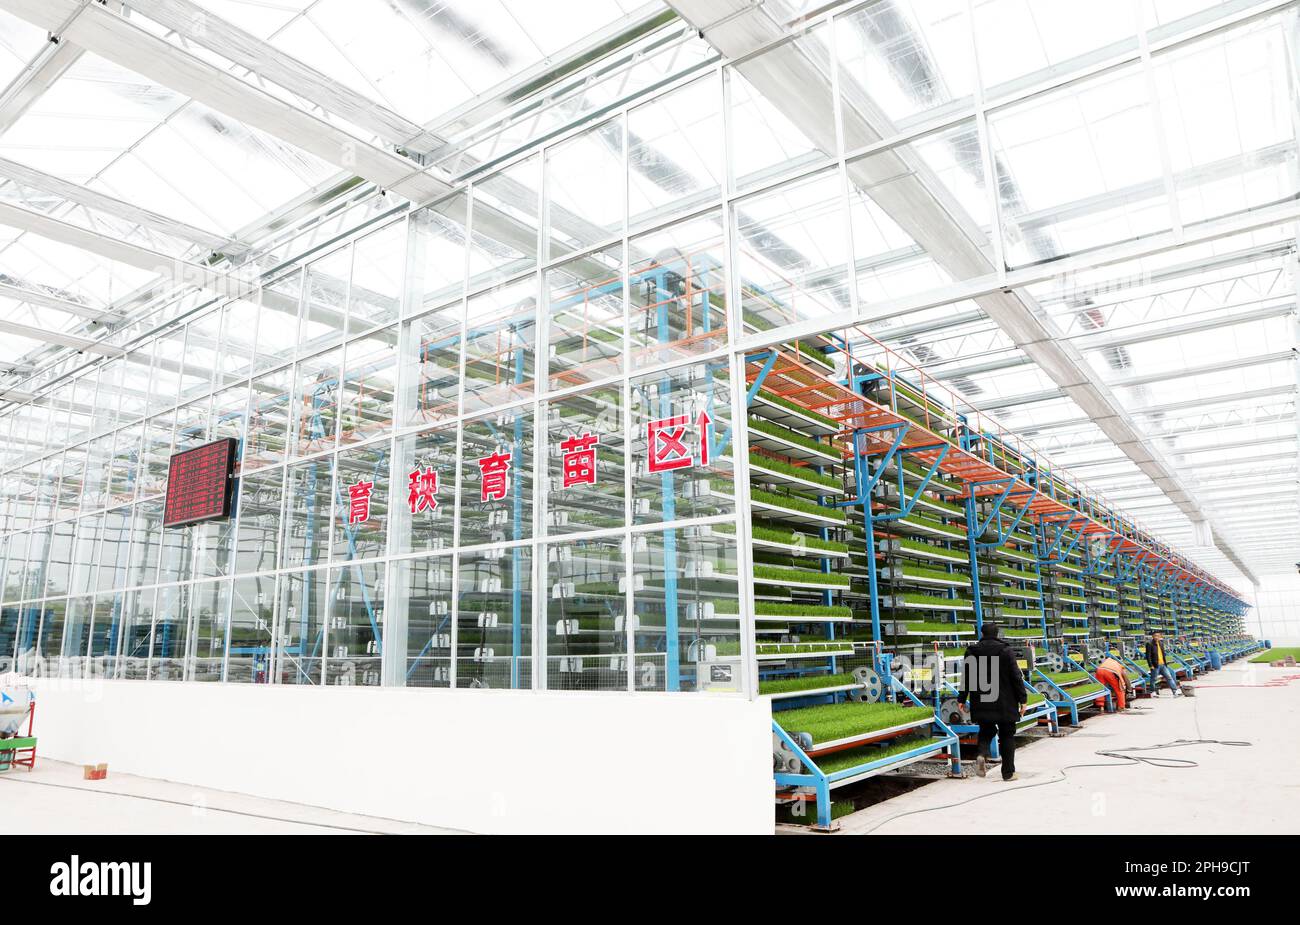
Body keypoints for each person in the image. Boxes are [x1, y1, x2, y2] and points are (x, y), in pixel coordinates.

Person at [958, 623, 1027, 781]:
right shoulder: (1005, 651)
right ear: (997, 634)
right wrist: (1023, 699)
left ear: (982, 634)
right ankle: (1008, 773)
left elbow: (966, 677)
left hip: (981, 700)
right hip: (1005, 701)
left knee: (986, 729)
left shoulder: (971, 652)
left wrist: (962, 698)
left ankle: (981, 754)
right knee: (1007, 735)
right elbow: (1016, 677)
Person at [1144, 631, 1182, 697]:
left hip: (1163, 665)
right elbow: (1148, 656)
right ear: (1152, 636)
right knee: (1154, 679)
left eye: (1158, 636)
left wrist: (1165, 663)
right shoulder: (1149, 644)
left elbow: (1163, 654)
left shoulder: (1161, 643)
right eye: (1155, 635)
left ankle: (1175, 691)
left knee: (1169, 677)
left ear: (1160, 636)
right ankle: (1153, 692)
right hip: (1155, 665)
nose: (1157, 637)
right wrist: (1150, 665)